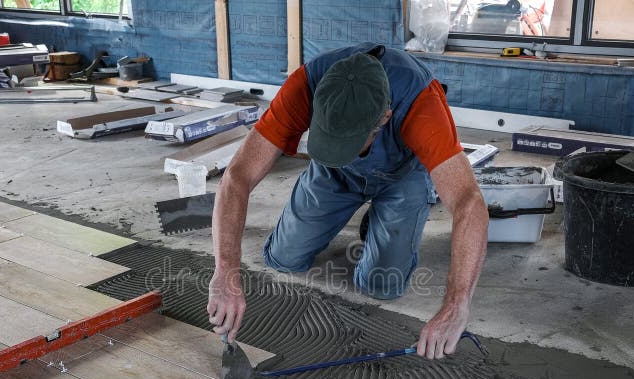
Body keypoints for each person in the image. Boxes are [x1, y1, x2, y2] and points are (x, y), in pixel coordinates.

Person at [207, 43, 488, 359]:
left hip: (400, 177)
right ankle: (341, 207)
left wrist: (456, 304)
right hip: (334, 173)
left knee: (382, 285)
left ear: (384, 118)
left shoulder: (421, 102)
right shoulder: (305, 85)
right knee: (282, 259)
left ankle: (379, 217)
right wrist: (225, 271)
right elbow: (236, 177)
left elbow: (469, 203)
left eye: (348, 142)